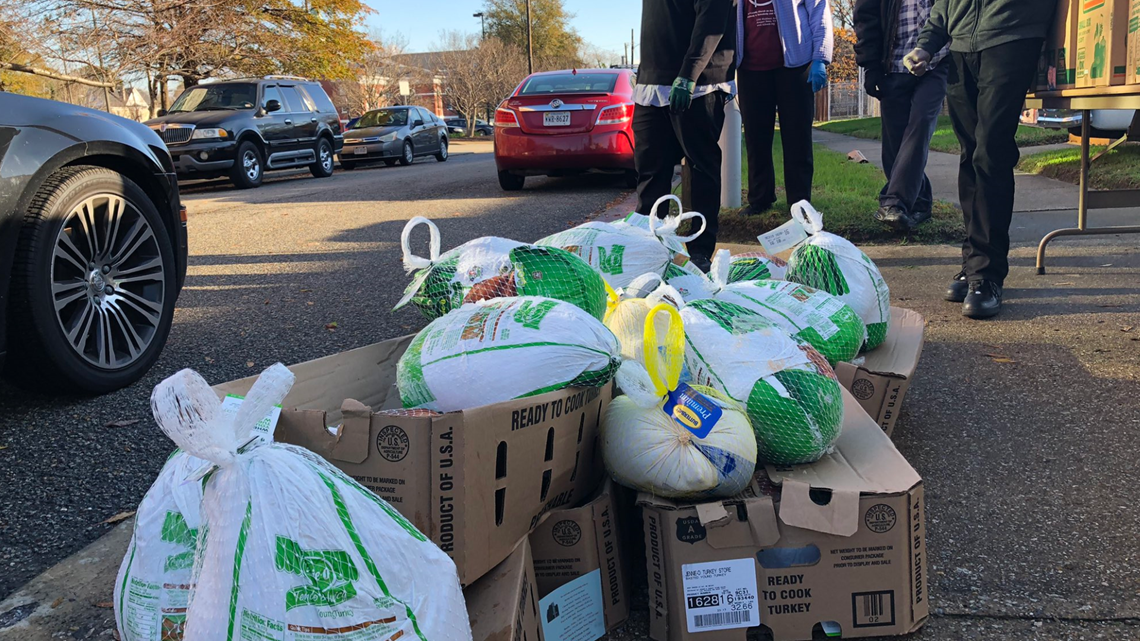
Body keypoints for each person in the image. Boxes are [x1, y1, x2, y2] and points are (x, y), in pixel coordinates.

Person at [905, 0, 1055, 318]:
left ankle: (987, 274)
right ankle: (973, 265)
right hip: (961, 44)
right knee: (970, 154)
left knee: (991, 152)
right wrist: (927, 44)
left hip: (1011, 34)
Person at [634, 0, 737, 271]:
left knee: (701, 167)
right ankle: (647, 246)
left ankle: (699, 253)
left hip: (698, 83)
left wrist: (689, 73)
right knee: (650, 170)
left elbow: (713, 17)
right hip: (652, 82)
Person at [853, 0, 948, 231]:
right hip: (893, 63)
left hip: (938, 61)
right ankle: (922, 202)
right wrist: (871, 67)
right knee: (895, 145)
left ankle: (894, 202)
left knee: (921, 122)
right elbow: (866, 18)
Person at [735, 0, 832, 216]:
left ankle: (799, 202)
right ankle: (760, 199)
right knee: (755, 138)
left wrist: (820, 57)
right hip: (750, 69)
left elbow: (819, 14)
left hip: (795, 67)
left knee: (798, 138)